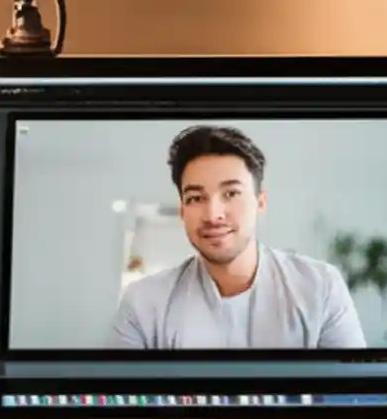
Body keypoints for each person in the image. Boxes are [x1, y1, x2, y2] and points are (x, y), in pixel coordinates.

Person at [109, 124, 367, 349]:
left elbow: (355, 397)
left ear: (260, 203)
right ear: (183, 211)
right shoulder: (143, 302)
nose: (213, 214)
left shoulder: (320, 288)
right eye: (196, 198)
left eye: (230, 193)